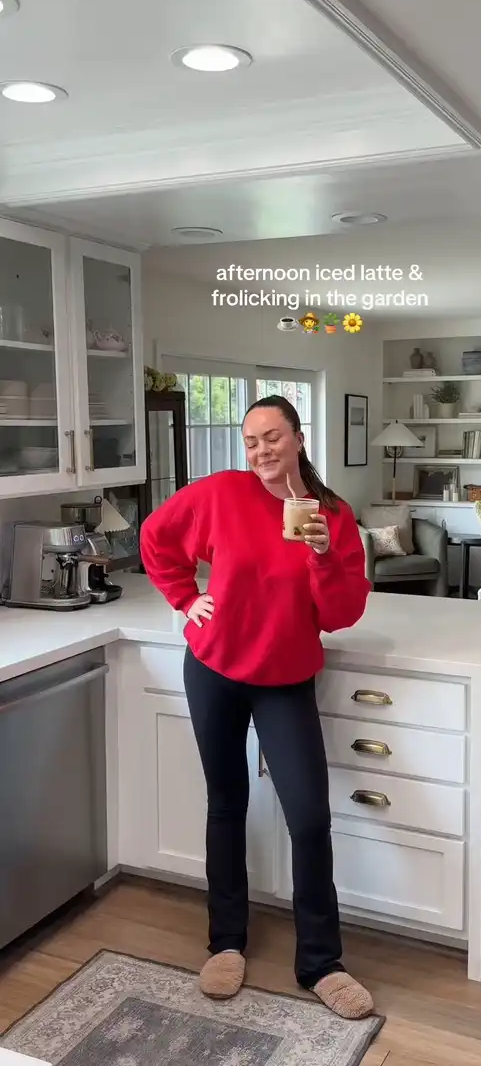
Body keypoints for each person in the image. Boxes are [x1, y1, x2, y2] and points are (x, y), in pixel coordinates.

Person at [140, 394, 374, 1019]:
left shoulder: (331, 514)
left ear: (298, 439)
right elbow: (156, 536)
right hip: (213, 668)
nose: (261, 450)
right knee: (226, 804)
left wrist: (323, 554)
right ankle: (226, 943)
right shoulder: (222, 493)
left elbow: (341, 614)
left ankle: (321, 963)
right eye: (251, 441)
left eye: (272, 436)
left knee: (309, 818)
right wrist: (184, 598)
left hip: (284, 677)